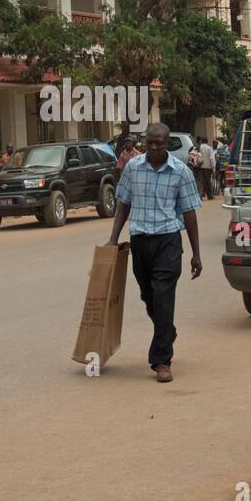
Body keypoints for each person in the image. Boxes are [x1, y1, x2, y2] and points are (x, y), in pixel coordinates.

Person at [105, 123, 203, 383]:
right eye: (150, 142)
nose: (155, 147)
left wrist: (196, 253)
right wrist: (113, 239)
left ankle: (161, 360)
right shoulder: (133, 169)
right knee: (148, 297)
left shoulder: (181, 172)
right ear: (144, 142)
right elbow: (123, 204)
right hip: (140, 241)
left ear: (168, 142)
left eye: (159, 142)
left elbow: (190, 213)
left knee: (163, 296)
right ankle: (167, 330)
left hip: (168, 241)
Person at [196, 136, 215, 200]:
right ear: (207, 141)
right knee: (208, 181)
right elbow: (212, 159)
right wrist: (213, 168)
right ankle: (210, 196)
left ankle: (200, 196)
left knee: (201, 182)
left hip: (200, 167)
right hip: (208, 167)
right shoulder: (209, 148)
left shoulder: (198, 148)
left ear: (201, 141)